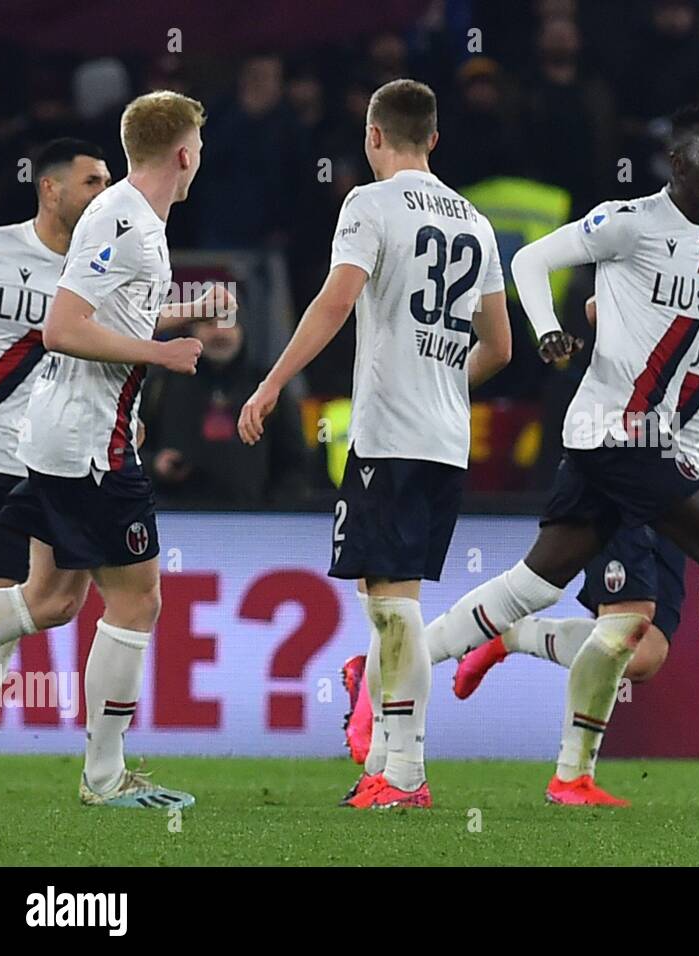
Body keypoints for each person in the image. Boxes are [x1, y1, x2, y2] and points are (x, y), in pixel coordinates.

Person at [344, 175, 699, 799]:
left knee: (602, 627)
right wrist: (582, 319)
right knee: (665, 603)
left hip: (674, 472)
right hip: (626, 455)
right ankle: (698, 751)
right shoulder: (655, 260)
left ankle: (406, 670)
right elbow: (601, 302)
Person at [238, 78, 511, 810]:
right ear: (435, 138)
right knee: (388, 597)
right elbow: (501, 345)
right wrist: (448, 384)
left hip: (389, 433)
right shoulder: (476, 221)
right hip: (445, 438)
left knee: (392, 608)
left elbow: (336, 298)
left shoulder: (368, 203)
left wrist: (270, 384)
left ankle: (407, 776)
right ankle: (389, 760)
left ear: (373, 136)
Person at [0, 91, 234, 809]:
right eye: (200, 150)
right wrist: (160, 352)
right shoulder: (126, 219)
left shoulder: (128, 216)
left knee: (51, 600)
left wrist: (187, 316)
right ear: (185, 154)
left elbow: (109, 311)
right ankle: (104, 777)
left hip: (72, 431)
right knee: (139, 599)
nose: (200, 161)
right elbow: (63, 326)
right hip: (89, 443)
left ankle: (103, 775)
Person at [0, 139, 111, 726]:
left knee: (2, 606)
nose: (103, 194)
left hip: (24, 464)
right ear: (49, 188)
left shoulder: (100, 277)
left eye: (107, 182)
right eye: (91, 182)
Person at [142, 319, 310, 507]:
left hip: (254, 522)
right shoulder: (160, 384)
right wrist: (154, 465)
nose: (220, 332)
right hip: (175, 520)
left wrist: (276, 510)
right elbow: (128, 449)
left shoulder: (266, 388)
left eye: (229, 323)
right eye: (209, 324)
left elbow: (295, 461)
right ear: (192, 330)